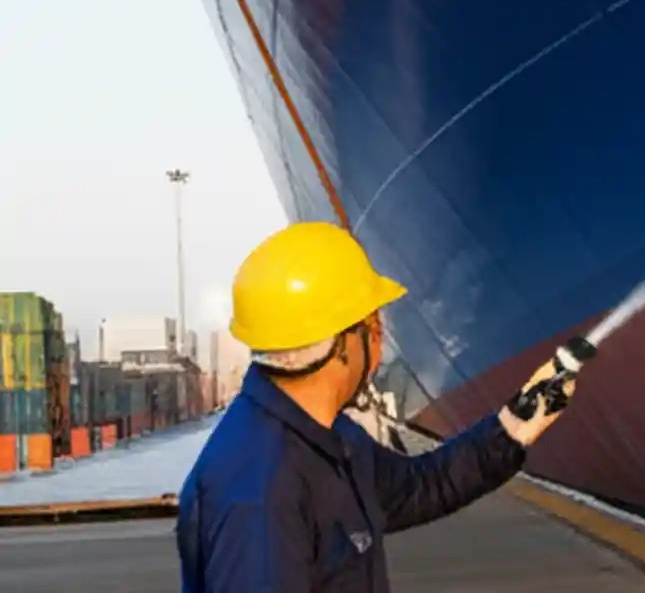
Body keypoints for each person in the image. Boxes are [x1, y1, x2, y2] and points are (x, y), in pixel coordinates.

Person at [176, 221, 580, 592]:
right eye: (371, 323)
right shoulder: (260, 495)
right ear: (340, 345)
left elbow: (419, 487)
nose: (380, 337)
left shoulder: (328, 437)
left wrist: (511, 429)